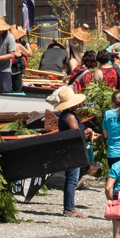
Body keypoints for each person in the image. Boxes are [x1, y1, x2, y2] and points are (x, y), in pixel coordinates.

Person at [44, 85, 86, 215]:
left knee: (70, 179)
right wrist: (88, 132)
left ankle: (69, 207)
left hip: (68, 150)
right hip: (73, 151)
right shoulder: (70, 117)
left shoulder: (64, 116)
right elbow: (76, 134)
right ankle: (69, 208)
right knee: (72, 179)